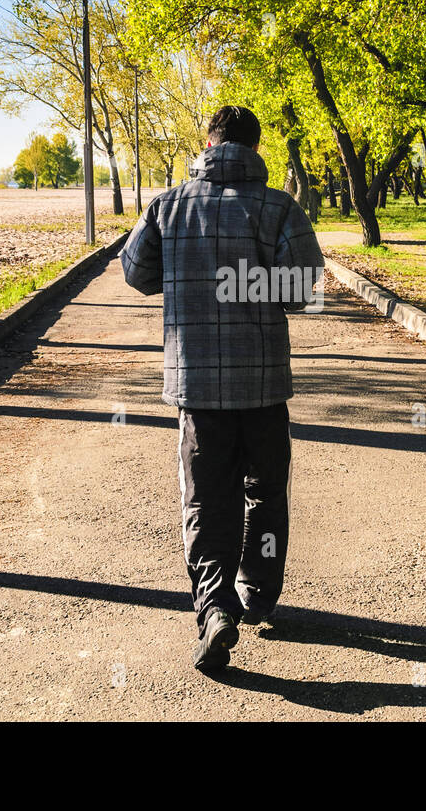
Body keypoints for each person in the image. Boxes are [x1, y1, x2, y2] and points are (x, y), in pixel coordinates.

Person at [119, 105, 325, 673]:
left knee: (206, 500)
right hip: (262, 386)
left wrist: (186, 273)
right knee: (264, 489)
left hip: (197, 386)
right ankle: (257, 591)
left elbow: (134, 273)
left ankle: (214, 611)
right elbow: (305, 290)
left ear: (207, 145)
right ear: (256, 148)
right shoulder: (280, 207)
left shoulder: (168, 205)